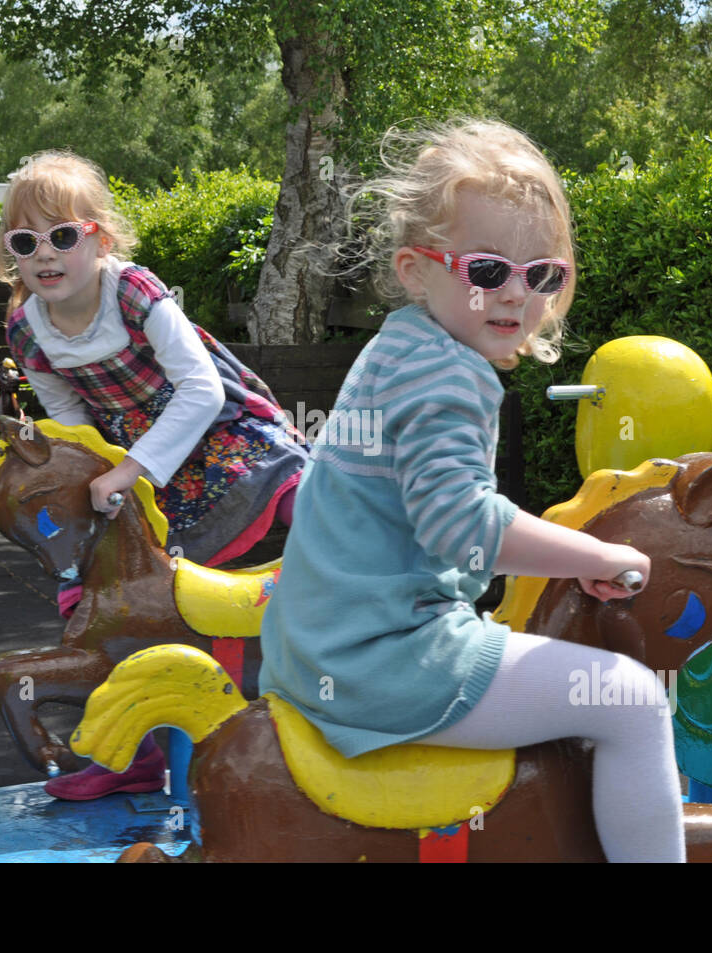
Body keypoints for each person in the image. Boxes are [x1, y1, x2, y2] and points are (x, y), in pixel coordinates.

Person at [258, 119, 684, 862]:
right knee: (633, 700)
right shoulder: (449, 376)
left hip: (315, 648)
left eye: (541, 275)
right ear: (416, 268)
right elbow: (462, 524)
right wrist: (595, 552)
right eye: (487, 271)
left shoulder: (398, 343)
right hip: (386, 658)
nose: (515, 295)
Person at [0, 151, 307, 799]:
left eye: (62, 236)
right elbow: (73, 424)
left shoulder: (134, 293)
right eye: (26, 242)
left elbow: (201, 390)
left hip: (217, 429)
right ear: (11, 254)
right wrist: (107, 482)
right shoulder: (28, 331)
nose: (44, 254)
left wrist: (132, 468)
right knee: (102, 599)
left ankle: (385, 599)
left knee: (303, 502)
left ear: (99, 238)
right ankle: (129, 749)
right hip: (137, 458)